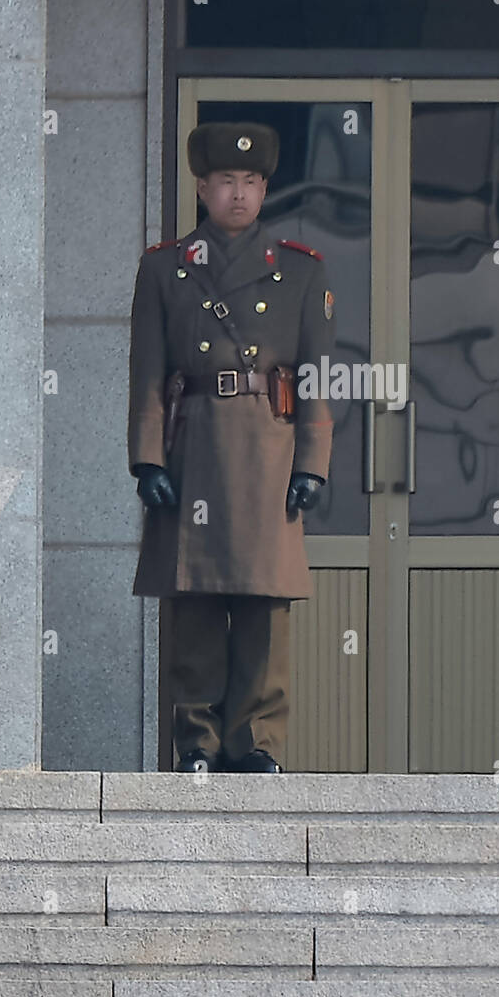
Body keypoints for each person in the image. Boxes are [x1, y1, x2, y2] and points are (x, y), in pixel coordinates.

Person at [127, 121, 335, 774]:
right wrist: (148, 458)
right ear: (202, 186)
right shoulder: (165, 268)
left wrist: (312, 464)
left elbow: (316, 379)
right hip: (193, 448)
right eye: (225, 181)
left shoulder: (300, 272)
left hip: (268, 449)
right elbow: (148, 373)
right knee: (193, 602)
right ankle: (197, 741)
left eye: (249, 182)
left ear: (265, 188)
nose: (237, 194)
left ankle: (258, 744)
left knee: (262, 605)